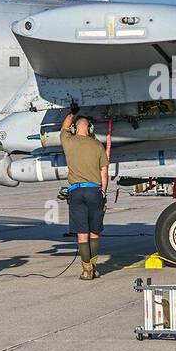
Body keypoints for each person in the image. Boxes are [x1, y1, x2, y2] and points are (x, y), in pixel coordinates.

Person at [60, 104, 109, 280]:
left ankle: (86, 270)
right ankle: (94, 266)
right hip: (95, 191)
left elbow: (64, 126)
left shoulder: (69, 141)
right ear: (90, 129)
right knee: (95, 232)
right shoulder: (97, 146)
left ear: (75, 128)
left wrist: (72, 112)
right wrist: (103, 194)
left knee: (82, 233)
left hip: (76, 192)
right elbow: (104, 174)